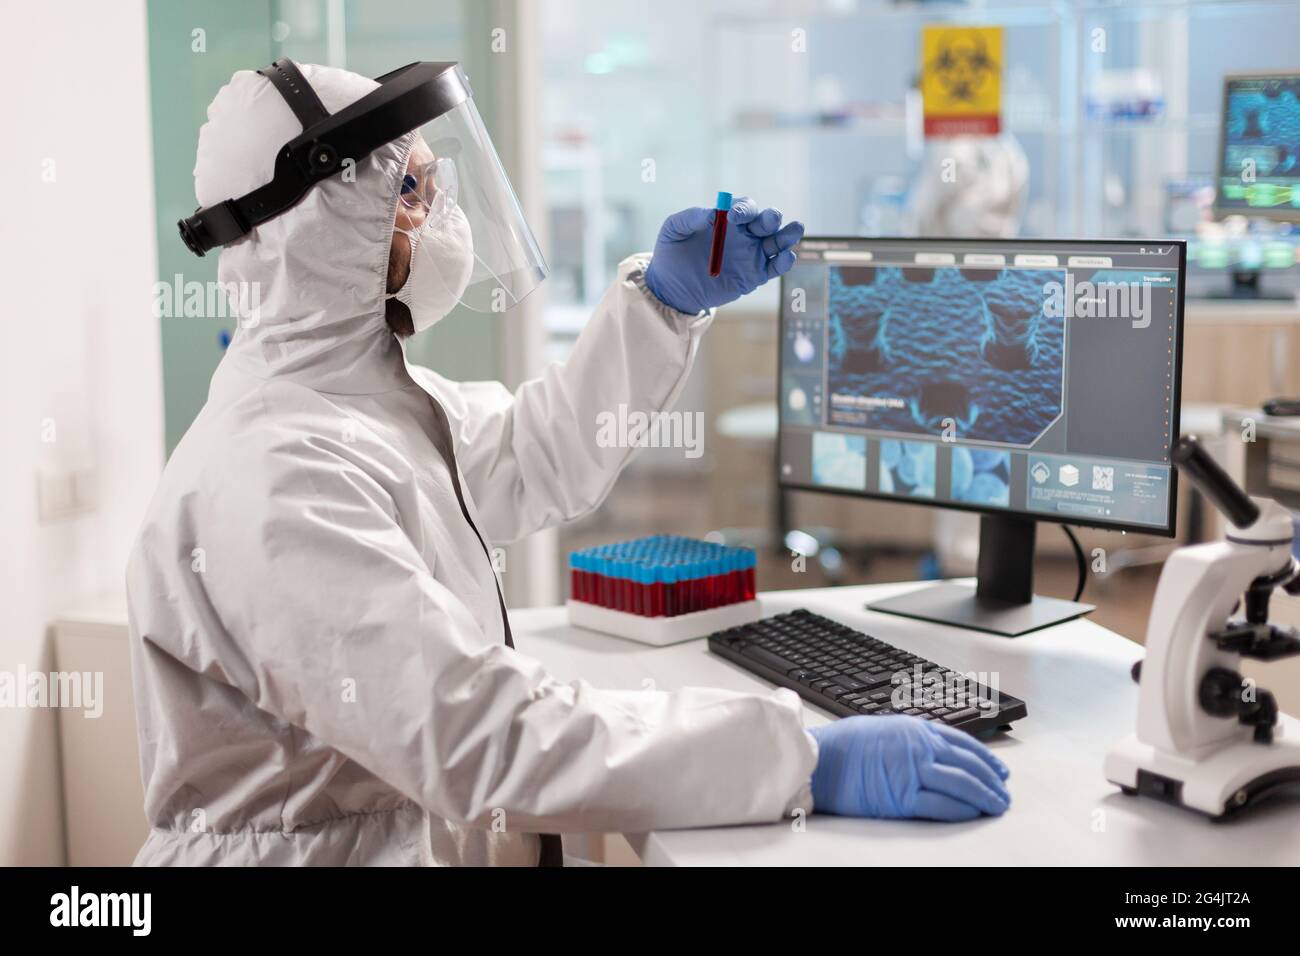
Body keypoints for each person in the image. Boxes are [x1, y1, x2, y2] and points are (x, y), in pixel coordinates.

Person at [128, 60, 1010, 867]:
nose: (441, 214)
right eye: (414, 191)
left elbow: (531, 454)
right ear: (324, 222)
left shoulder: (364, 408)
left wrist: (660, 305)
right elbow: (479, 737)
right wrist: (795, 755)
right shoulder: (275, 475)